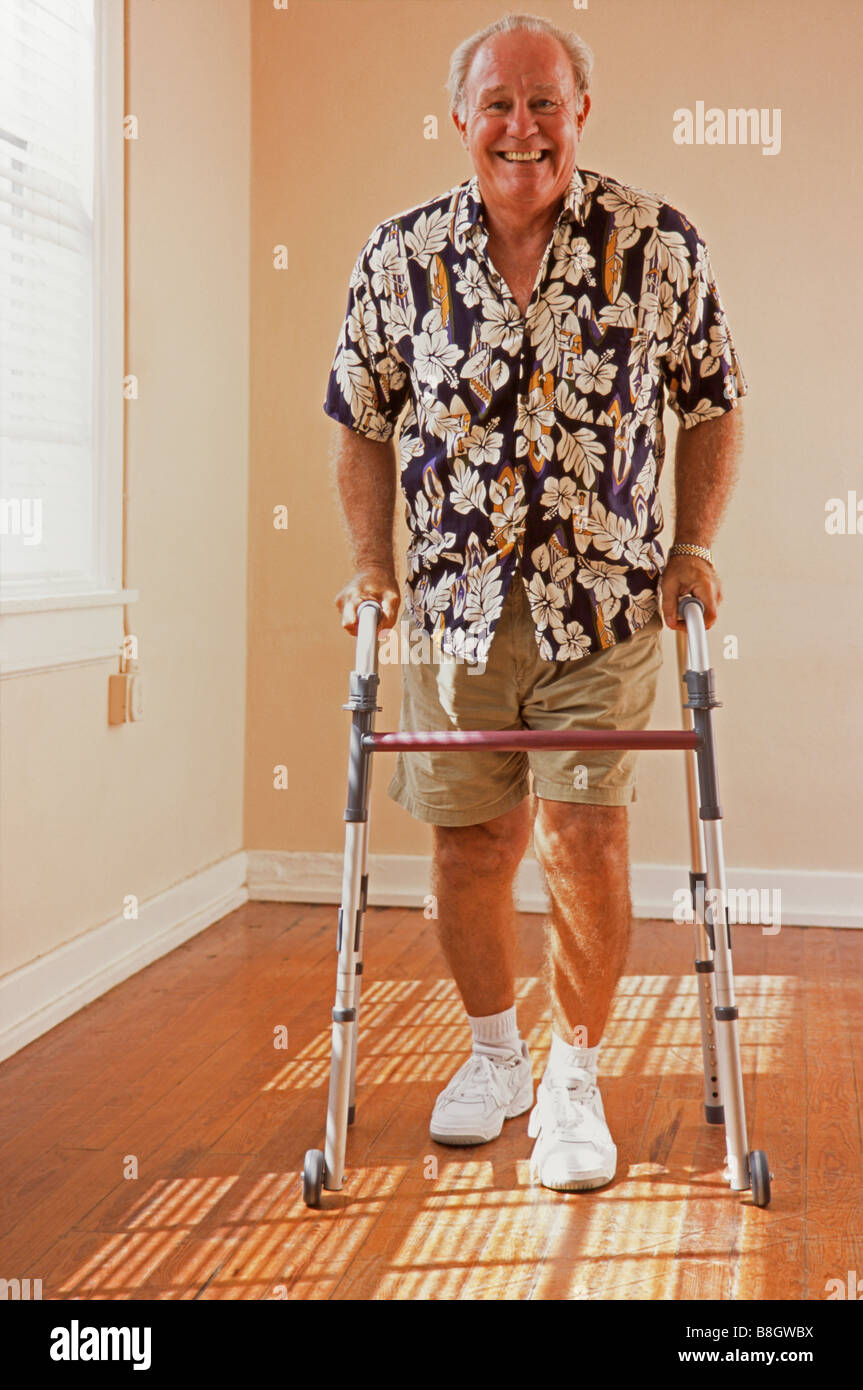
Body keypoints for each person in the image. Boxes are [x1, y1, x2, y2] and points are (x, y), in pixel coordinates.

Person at [322, 12, 745, 1191]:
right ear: (460, 117)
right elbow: (358, 420)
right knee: (469, 849)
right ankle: (495, 1054)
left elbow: (710, 399)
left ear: (579, 113)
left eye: (543, 102)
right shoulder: (396, 257)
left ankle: (573, 1076)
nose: (521, 128)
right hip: (455, 611)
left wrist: (691, 544)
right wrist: (370, 561)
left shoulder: (656, 243)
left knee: (584, 835)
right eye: (496, 104)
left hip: (601, 607)